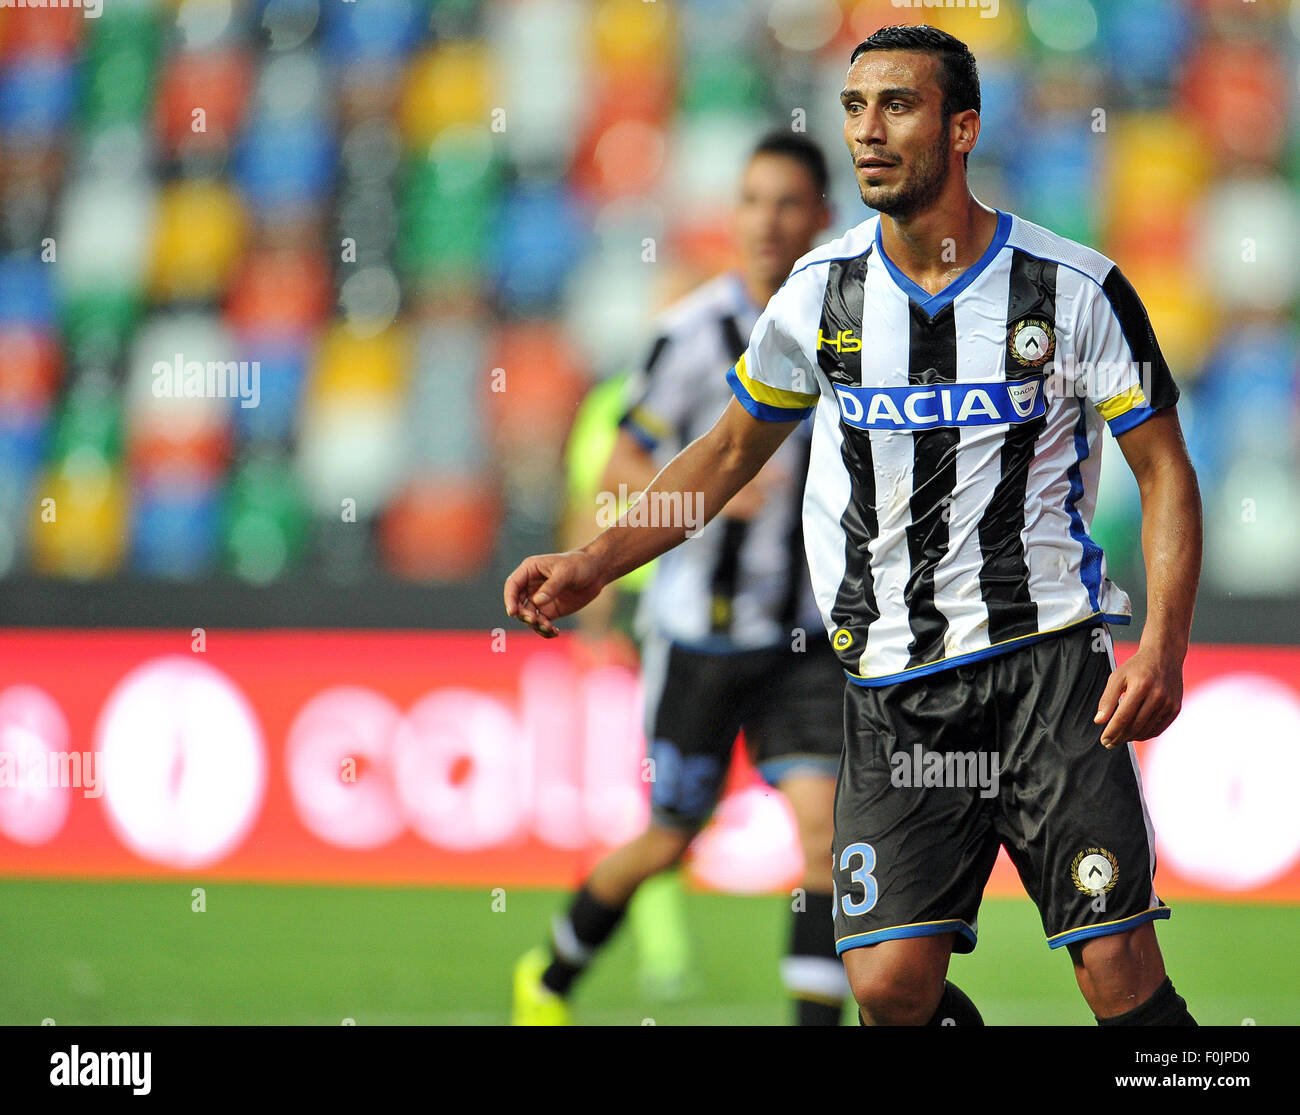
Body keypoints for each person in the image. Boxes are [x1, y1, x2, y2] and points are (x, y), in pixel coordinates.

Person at [505, 25, 1203, 1027]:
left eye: (897, 106)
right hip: (890, 685)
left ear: (961, 127)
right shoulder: (820, 292)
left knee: (1114, 967)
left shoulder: (1073, 289)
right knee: (886, 989)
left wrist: (1165, 643)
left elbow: (1164, 470)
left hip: (1045, 667)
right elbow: (728, 450)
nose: (867, 132)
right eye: (852, 108)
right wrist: (593, 559)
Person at [512, 132, 851, 1026]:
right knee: (669, 839)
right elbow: (618, 468)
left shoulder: (856, 325)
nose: (767, 221)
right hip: (699, 638)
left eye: (787, 203)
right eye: (751, 201)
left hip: (807, 641)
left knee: (827, 832)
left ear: (823, 217)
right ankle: (549, 975)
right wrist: (716, 496)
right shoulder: (694, 334)